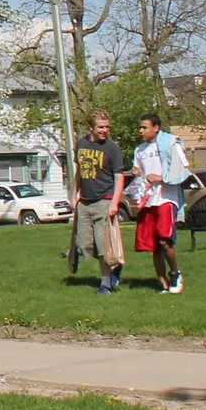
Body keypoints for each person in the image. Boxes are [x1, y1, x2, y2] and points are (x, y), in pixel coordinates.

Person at [128, 112, 194, 294]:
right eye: (140, 128)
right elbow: (139, 170)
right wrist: (136, 171)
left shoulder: (170, 144)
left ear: (156, 128)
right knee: (153, 244)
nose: (141, 131)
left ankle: (175, 273)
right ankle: (162, 282)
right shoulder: (139, 150)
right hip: (148, 200)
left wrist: (162, 178)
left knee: (164, 239)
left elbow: (183, 170)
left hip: (166, 198)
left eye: (145, 127)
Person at [70, 109, 128, 289]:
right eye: (101, 127)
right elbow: (79, 172)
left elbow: (119, 177)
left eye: (107, 127)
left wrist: (114, 202)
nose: (104, 130)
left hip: (104, 200)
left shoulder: (112, 148)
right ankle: (114, 265)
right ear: (91, 127)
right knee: (84, 245)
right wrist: (75, 194)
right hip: (84, 202)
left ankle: (105, 283)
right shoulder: (81, 144)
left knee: (103, 245)